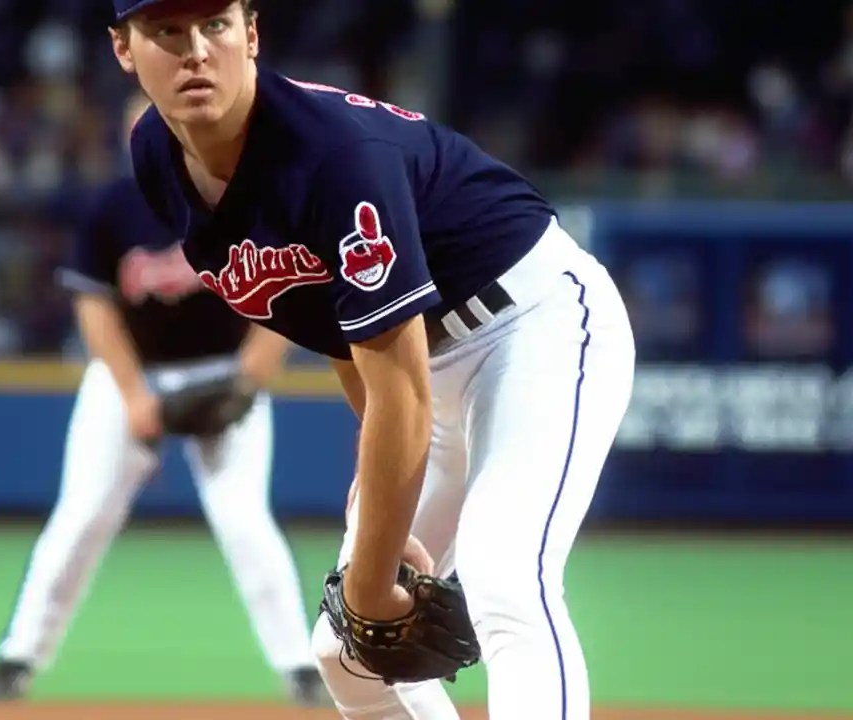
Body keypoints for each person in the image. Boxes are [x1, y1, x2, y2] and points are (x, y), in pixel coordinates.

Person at [109, 1, 636, 717]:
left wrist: (376, 573)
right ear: (124, 50)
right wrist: (381, 515)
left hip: (536, 326)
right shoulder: (157, 156)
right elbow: (336, 324)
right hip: (422, 369)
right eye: (167, 31)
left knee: (502, 575)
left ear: (253, 34)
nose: (196, 50)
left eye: (216, 25)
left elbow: (403, 391)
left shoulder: (336, 157)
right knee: (346, 652)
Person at [0, 91, 329, 707]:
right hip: (127, 375)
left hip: (224, 370)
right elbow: (95, 309)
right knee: (82, 516)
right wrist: (135, 397)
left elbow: (287, 297)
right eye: (139, 126)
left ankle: (301, 668)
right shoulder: (113, 205)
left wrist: (248, 378)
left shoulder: (243, 194)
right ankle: (17, 659)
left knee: (245, 521)